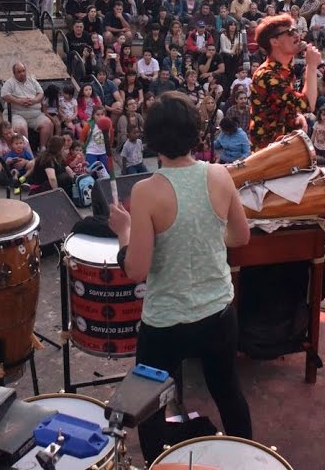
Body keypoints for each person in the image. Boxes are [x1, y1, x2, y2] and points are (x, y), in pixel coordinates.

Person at [106, 93, 252, 463]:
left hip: (166, 322)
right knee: (228, 393)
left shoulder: (146, 191)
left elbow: (136, 270)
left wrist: (123, 231)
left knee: (152, 403)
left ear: (152, 138)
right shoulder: (220, 174)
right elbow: (240, 237)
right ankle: (248, 459)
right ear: (196, 132)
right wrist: (200, 236)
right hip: (218, 312)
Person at [249, 14, 321, 149]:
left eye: (296, 30)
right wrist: (311, 66)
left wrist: (296, 116)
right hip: (270, 156)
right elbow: (307, 104)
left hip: (284, 150)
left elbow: (285, 104)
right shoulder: (268, 75)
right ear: (274, 41)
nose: (297, 36)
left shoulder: (284, 70)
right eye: (290, 32)